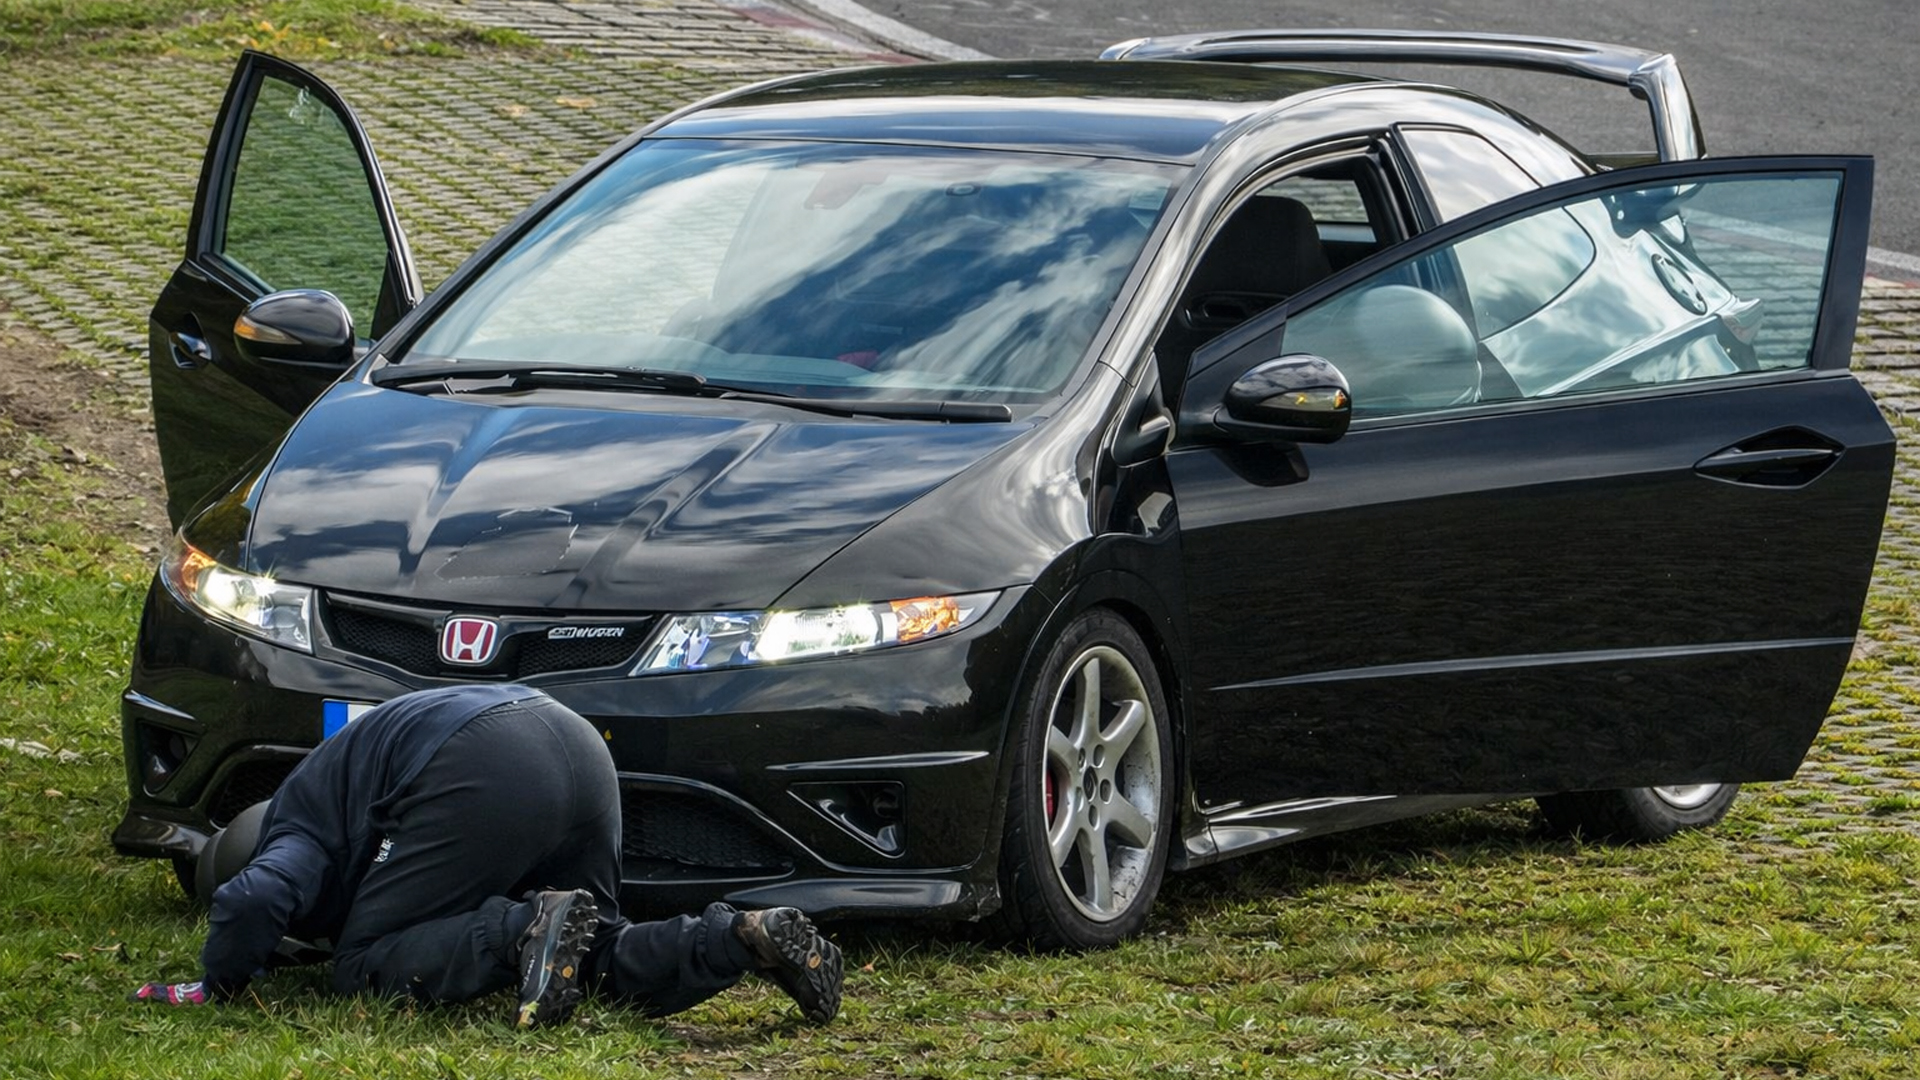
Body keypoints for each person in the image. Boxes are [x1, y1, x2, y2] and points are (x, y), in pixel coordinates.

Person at [129, 684, 843, 1028]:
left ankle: (519, 931)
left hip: (483, 760)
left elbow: (252, 900)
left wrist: (217, 986)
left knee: (360, 962)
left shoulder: (297, 828)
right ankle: (738, 939)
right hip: (576, 743)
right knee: (591, 947)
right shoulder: (332, 791)